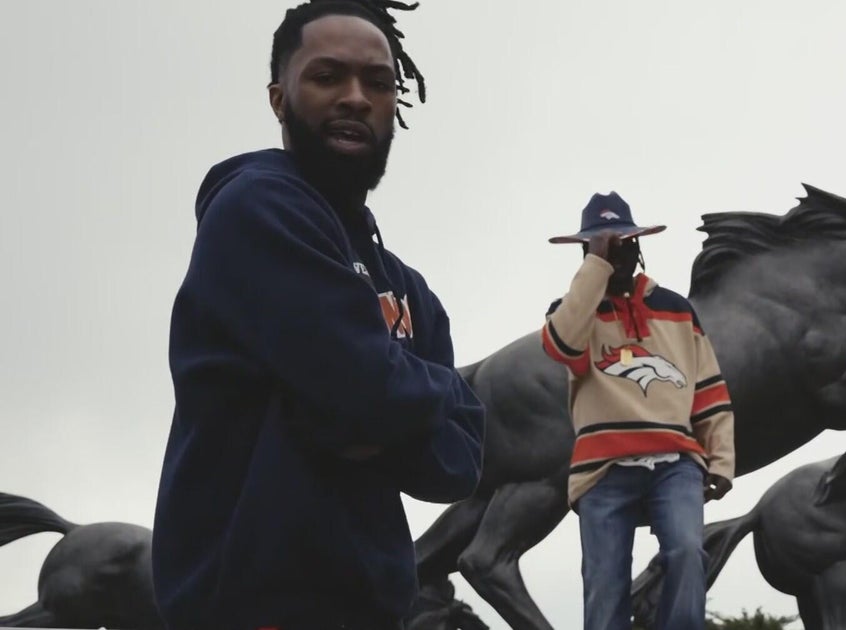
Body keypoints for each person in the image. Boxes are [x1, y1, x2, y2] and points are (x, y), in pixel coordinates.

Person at [152, 2, 485, 629]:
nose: (356, 97)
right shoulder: (256, 210)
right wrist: (429, 392)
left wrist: (382, 399)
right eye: (327, 76)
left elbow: (460, 461)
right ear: (279, 98)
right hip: (253, 604)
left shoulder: (410, 291)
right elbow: (366, 393)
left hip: (374, 607)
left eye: (378, 82)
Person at [542, 192, 735, 630]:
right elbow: (563, 345)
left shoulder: (676, 308)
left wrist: (721, 458)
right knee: (604, 583)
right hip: (602, 468)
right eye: (606, 244)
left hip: (676, 460)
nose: (618, 251)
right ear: (586, 251)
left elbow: (708, 387)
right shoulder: (570, 312)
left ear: (639, 243)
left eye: (625, 241)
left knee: (688, 550)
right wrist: (596, 266)